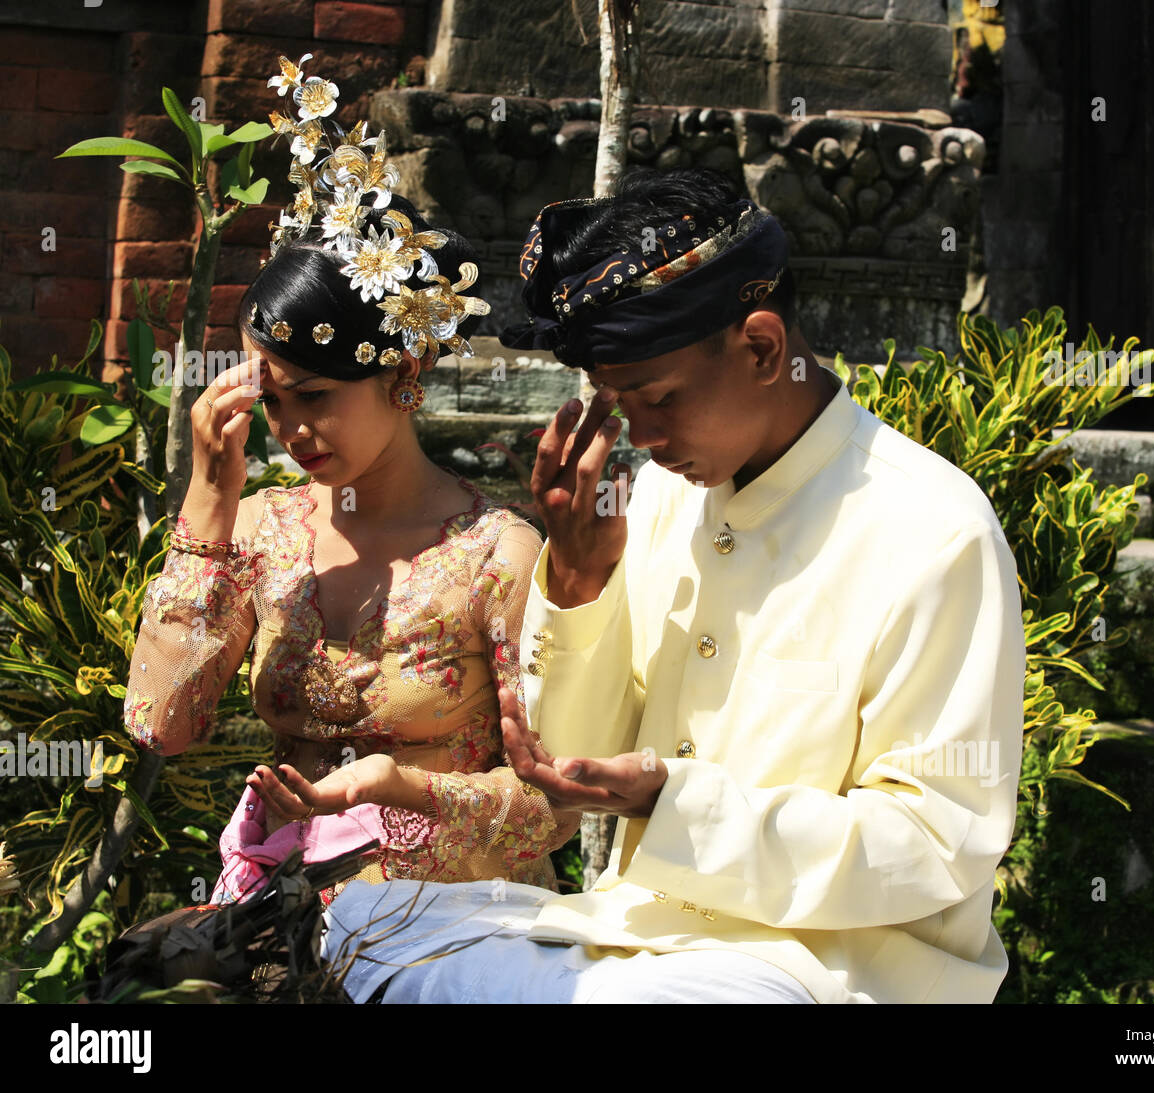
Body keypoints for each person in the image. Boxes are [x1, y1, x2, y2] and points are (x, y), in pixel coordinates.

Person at [320, 167, 1027, 1004]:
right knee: (358, 924)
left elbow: (937, 842)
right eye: (619, 403)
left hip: (823, 972)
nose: (643, 435)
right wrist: (578, 579)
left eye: (657, 398)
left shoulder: (934, 529)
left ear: (761, 348)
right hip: (633, 939)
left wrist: (676, 803)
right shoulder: (662, 500)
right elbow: (572, 766)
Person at [121, 55, 579, 911]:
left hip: (458, 935)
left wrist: (398, 791)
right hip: (285, 927)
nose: (292, 430)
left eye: (316, 397)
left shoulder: (497, 555)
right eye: (273, 400)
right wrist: (207, 505)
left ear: (403, 373)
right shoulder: (260, 531)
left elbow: (556, 805)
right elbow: (161, 724)